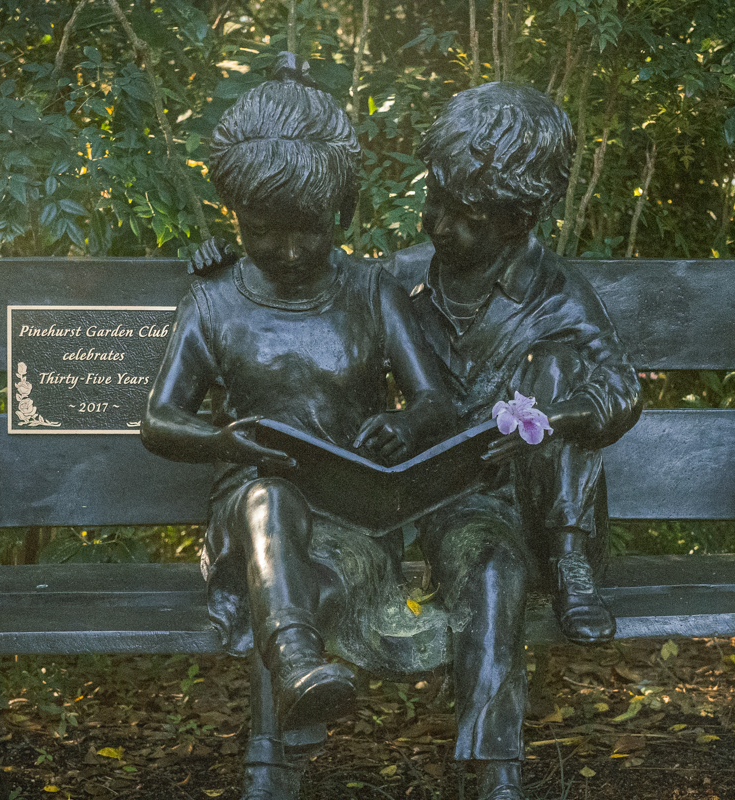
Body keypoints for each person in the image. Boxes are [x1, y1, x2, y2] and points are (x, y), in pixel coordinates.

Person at [141, 54, 454, 800]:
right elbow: (157, 418)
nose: (286, 252)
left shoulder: (373, 292)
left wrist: (404, 428)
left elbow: (436, 402)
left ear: (339, 218)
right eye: (262, 231)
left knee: (280, 554)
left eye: (306, 233)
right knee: (267, 507)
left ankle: (275, 749)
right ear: (235, 218)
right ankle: (295, 674)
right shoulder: (214, 301)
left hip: (355, 511)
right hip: (246, 513)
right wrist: (221, 443)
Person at [385, 81, 642, 800]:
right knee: (488, 568)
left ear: (518, 219)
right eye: (431, 198)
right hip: (437, 502)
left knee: (559, 373)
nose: (435, 224)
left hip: (531, 508)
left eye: (461, 215)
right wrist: (229, 266)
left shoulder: (556, 291)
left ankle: (498, 777)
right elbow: (309, 317)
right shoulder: (396, 281)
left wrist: (552, 423)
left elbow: (621, 390)